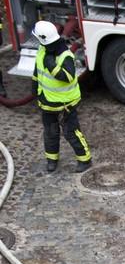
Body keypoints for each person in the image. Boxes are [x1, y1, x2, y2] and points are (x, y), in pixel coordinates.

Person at [32, 20, 92, 173]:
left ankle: (85, 159)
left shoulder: (65, 55)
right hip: (47, 102)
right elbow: (37, 72)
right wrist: (34, 91)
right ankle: (51, 159)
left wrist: (51, 65)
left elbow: (68, 76)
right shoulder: (42, 49)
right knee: (50, 132)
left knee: (71, 132)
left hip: (66, 104)